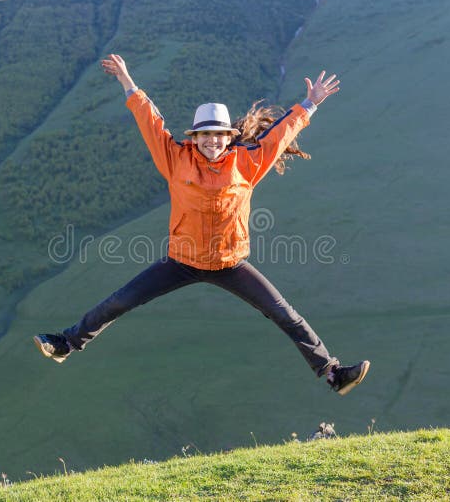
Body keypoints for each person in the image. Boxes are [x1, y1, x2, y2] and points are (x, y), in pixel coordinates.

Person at [34, 54, 369, 395]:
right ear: (194, 137)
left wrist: (309, 104)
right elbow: (150, 122)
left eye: (219, 135)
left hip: (229, 263)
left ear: (229, 137)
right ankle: (67, 343)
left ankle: (333, 373)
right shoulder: (175, 159)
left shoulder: (247, 163)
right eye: (205, 135)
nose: (212, 141)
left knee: (285, 314)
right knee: (121, 301)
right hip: (182, 261)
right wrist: (127, 82)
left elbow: (279, 137)